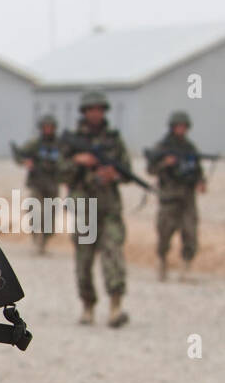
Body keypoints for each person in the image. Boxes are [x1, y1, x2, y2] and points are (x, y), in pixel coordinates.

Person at [60, 89, 133, 326]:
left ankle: (115, 307)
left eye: (99, 109)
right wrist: (77, 161)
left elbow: (127, 171)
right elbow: (59, 171)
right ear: (84, 112)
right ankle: (88, 305)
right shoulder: (72, 141)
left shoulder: (113, 140)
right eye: (91, 109)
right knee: (84, 261)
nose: (95, 113)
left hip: (109, 208)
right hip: (84, 209)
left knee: (114, 255)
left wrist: (114, 175)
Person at [145, 110, 206, 282]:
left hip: (187, 197)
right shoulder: (162, 147)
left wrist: (201, 182)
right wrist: (165, 163)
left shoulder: (190, 148)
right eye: (178, 126)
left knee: (190, 232)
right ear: (172, 127)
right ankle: (162, 262)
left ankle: (186, 268)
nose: (181, 129)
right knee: (165, 232)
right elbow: (151, 169)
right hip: (169, 197)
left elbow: (197, 169)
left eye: (184, 126)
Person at [15, 114, 63, 253]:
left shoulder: (60, 144)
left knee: (50, 215)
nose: (48, 130)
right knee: (35, 211)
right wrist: (25, 161)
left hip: (52, 184)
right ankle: (37, 239)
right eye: (45, 127)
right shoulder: (35, 144)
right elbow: (19, 155)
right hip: (37, 183)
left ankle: (44, 242)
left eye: (50, 127)